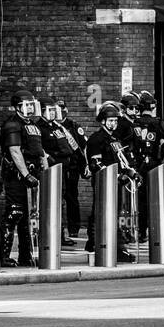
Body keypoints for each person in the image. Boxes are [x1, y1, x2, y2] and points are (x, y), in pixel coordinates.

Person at [85, 103, 139, 263]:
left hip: (118, 184)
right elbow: (96, 164)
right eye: (110, 120)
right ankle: (95, 243)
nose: (113, 124)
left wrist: (131, 172)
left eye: (115, 121)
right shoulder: (97, 138)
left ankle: (118, 247)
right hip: (104, 183)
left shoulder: (116, 139)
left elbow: (123, 160)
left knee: (116, 214)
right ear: (102, 121)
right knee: (100, 212)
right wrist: (115, 176)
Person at [0, 89, 47, 267]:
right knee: (14, 212)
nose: (30, 108)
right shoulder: (13, 125)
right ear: (18, 107)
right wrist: (25, 173)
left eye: (31, 105)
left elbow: (40, 150)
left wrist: (44, 170)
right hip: (16, 175)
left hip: (33, 173)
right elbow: (14, 150)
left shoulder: (33, 125)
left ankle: (25, 255)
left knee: (28, 216)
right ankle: (3, 256)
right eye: (27, 105)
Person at [39, 98, 80, 247]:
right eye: (50, 110)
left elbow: (73, 146)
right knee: (48, 203)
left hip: (63, 170)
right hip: (49, 171)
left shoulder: (57, 127)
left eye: (54, 110)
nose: (53, 113)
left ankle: (61, 234)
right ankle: (46, 234)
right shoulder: (39, 127)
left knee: (60, 203)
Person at [130, 90, 164, 243]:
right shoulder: (160, 124)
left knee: (138, 198)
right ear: (153, 107)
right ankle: (155, 230)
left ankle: (139, 231)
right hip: (154, 164)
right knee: (155, 198)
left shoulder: (134, 123)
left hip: (137, 164)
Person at [57, 98, 89, 240]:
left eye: (63, 108)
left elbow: (83, 147)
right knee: (57, 200)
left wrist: (85, 166)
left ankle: (73, 228)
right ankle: (59, 230)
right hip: (56, 167)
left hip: (72, 167)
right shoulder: (49, 126)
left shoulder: (73, 126)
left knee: (71, 198)